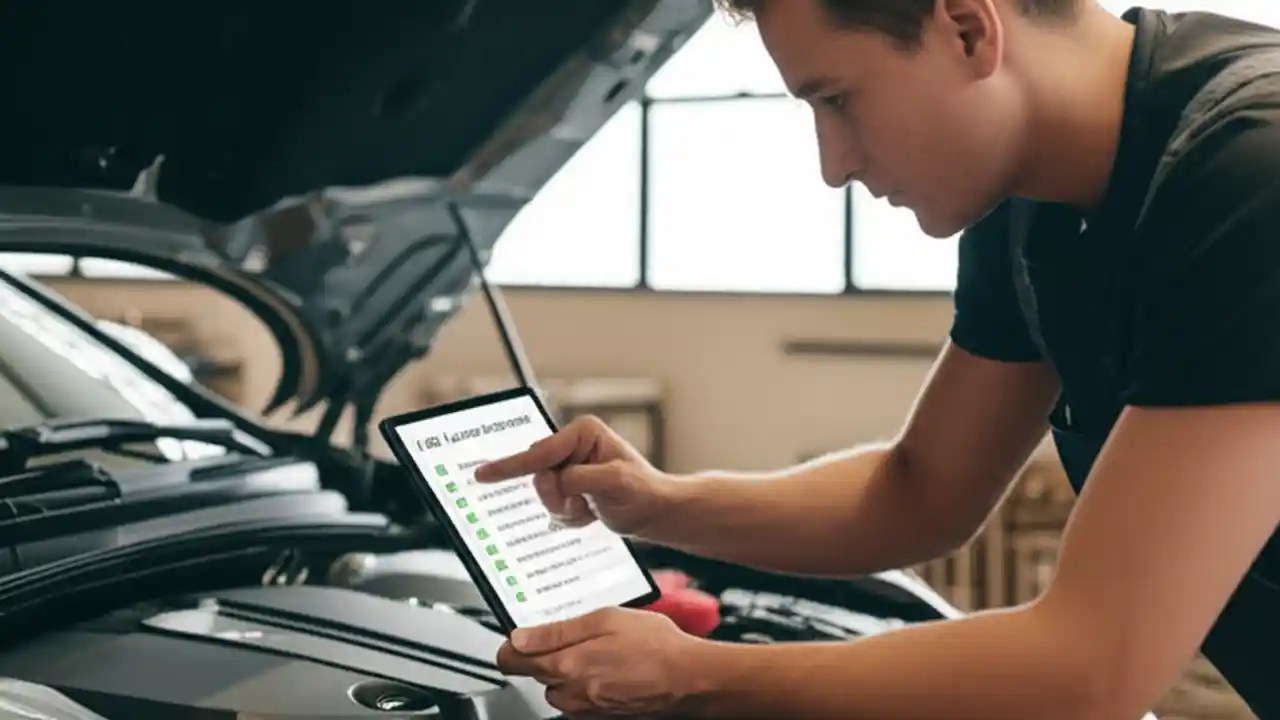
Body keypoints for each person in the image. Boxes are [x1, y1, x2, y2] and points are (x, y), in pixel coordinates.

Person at [474, 0, 1280, 717]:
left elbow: (1091, 671)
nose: (834, 164)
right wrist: (654, 505)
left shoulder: (1252, 172)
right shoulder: (1033, 195)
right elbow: (920, 490)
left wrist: (698, 674)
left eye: (836, 99)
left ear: (967, 28)